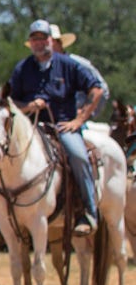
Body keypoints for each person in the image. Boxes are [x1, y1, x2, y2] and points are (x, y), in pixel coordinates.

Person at [9, 19, 103, 235]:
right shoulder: (22, 68)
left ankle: (87, 212)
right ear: (30, 43)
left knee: (78, 156)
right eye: (35, 39)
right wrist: (29, 106)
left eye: (43, 38)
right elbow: (10, 102)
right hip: (30, 127)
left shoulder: (68, 65)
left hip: (62, 126)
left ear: (51, 40)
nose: (39, 43)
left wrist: (79, 120)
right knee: (1, 157)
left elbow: (96, 89)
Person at [48, 24, 109, 119]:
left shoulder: (77, 63)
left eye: (48, 41)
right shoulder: (41, 68)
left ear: (58, 43)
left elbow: (102, 89)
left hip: (73, 119)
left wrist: (85, 113)